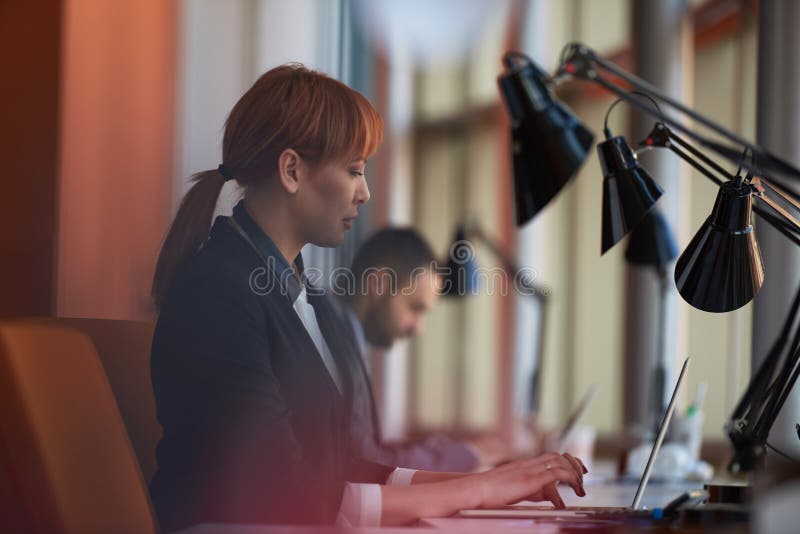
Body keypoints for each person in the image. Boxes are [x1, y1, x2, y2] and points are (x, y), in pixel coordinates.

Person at [149, 63, 587, 532]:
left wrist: (489, 480)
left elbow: (335, 469)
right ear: (292, 170)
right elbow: (288, 489)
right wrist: (479, 489)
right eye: (355, 171)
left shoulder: (296, 293)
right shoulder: (220, 291)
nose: (365, 192)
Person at [338, 227, 509, 471]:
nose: (418, 329)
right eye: (415, 308)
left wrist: (439, 449)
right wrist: (463, 457)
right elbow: (364, 460)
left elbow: (364, 448)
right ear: (379, 283)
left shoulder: (346, 336)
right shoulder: (331, 341)